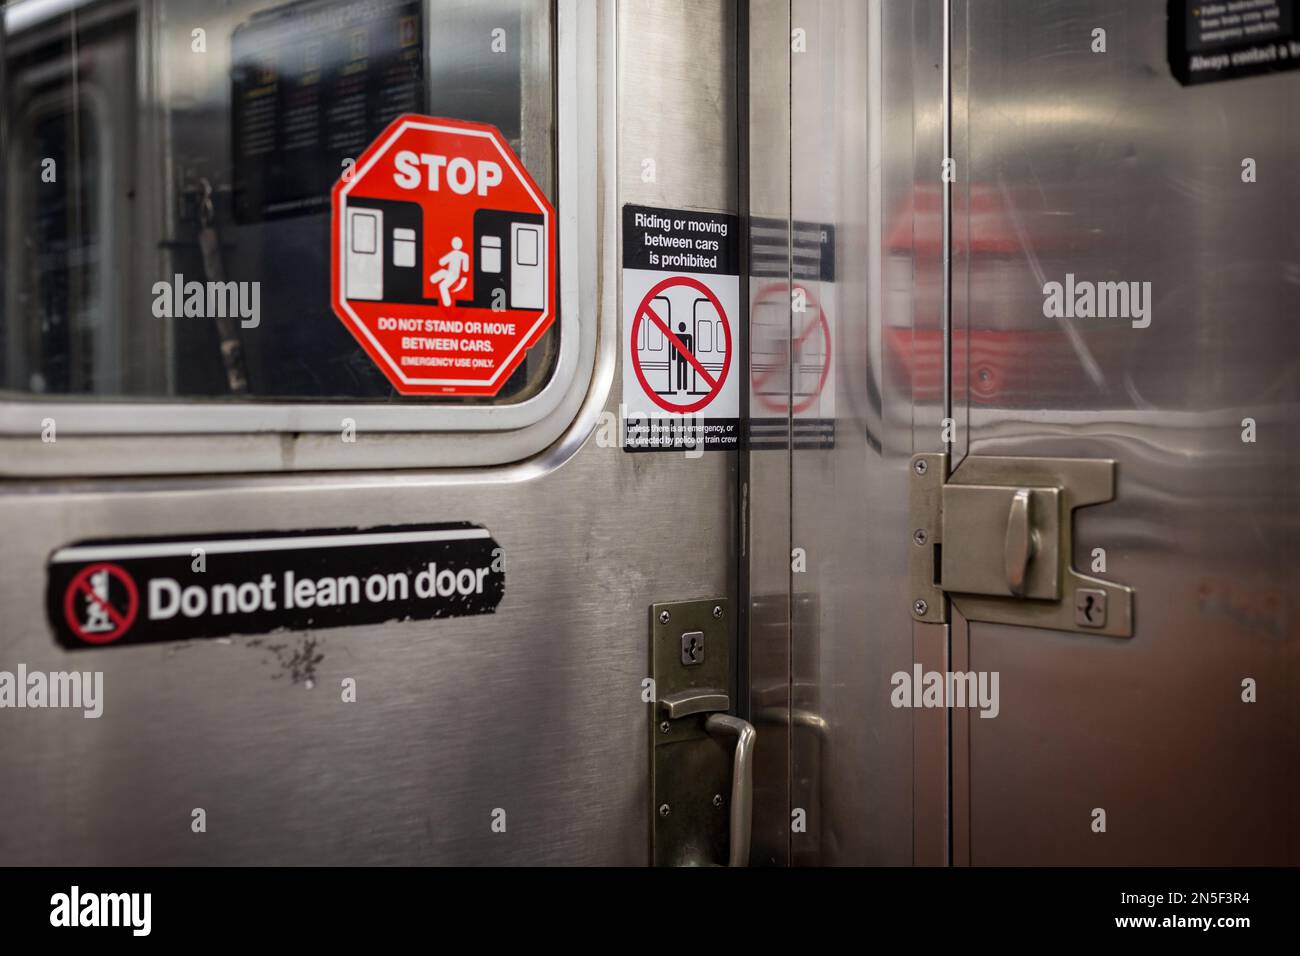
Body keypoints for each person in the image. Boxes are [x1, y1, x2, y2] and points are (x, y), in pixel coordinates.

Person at [429, 237, 470, 307]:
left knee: (442, 285)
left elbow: (441, 262)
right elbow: (442, 262)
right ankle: (432, 279)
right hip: (450, 273)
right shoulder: (462, 255)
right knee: (442, 272)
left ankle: (447, 303)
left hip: (454, 275)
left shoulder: (462, 255)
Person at [673, 321, 695, 392]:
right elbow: (690, 347)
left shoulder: (677, 336)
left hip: (680, 356)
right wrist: (690, 356)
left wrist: (674, 356)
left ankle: (680, 386)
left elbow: (674, 347)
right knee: (683, 371)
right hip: (685, 356)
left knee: (680, 370)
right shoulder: (688, 336)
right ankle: (684, 386)